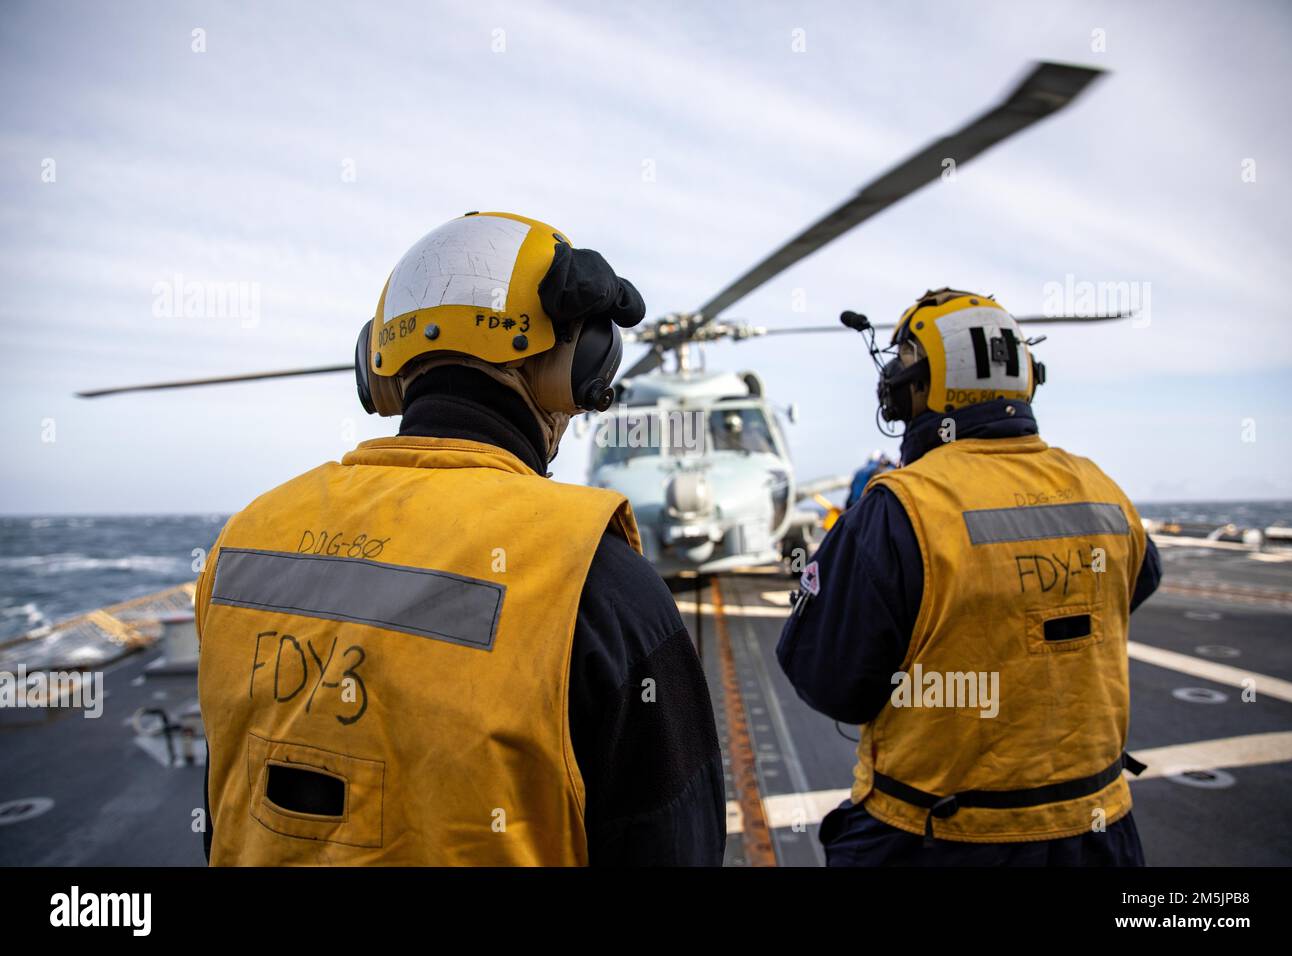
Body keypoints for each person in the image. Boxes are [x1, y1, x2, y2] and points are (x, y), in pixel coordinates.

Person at [196, 212, 725, 865]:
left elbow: (222, 806)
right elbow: (674, 845)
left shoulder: (242, 540)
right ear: (577, 365)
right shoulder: (595, 577)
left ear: (381, 373)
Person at [778, 288, 1161, 866]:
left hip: (934, 837)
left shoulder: (900, 508)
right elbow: (1138, 581)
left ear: (918, 389)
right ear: (1028, 380)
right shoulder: (1102, 489)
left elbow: (831, 683)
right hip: (1097, 831)